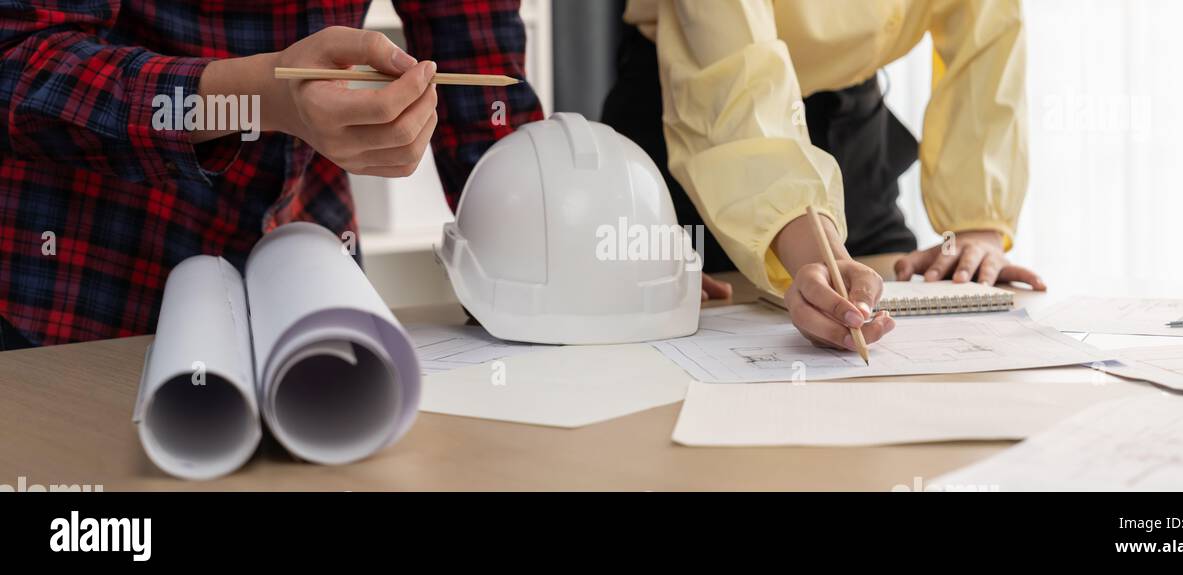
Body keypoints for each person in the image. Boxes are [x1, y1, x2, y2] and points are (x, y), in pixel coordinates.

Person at [0, 1, 542, 349]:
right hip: (74, 280)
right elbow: (18, 62)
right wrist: (255, 101)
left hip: (298, 252)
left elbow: (480, 59)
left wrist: (533, 263)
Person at [602, 0, 1045, 350]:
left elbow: (987, 39)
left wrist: (976, 229)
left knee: (876, 311)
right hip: (701, 124)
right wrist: (815, 254)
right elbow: (736, 85)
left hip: (852, 120)